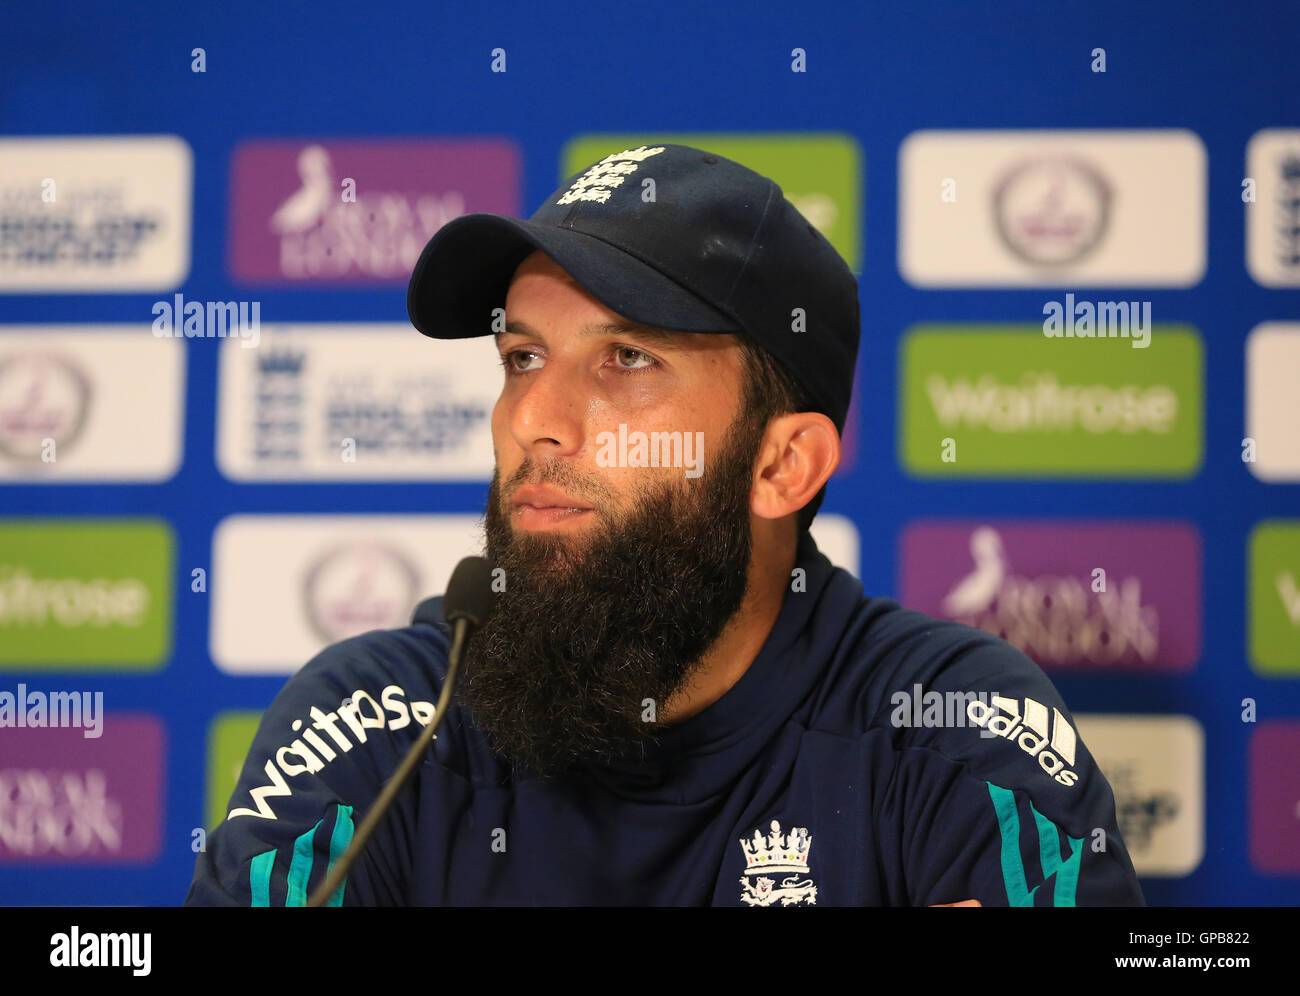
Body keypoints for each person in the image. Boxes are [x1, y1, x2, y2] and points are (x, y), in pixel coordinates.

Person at [185, 143, 1144, 906]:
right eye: (521, 356)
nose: (532, 420)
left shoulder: (943, 726)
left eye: (629, 359)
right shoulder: (379, 725)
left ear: (781, 465)